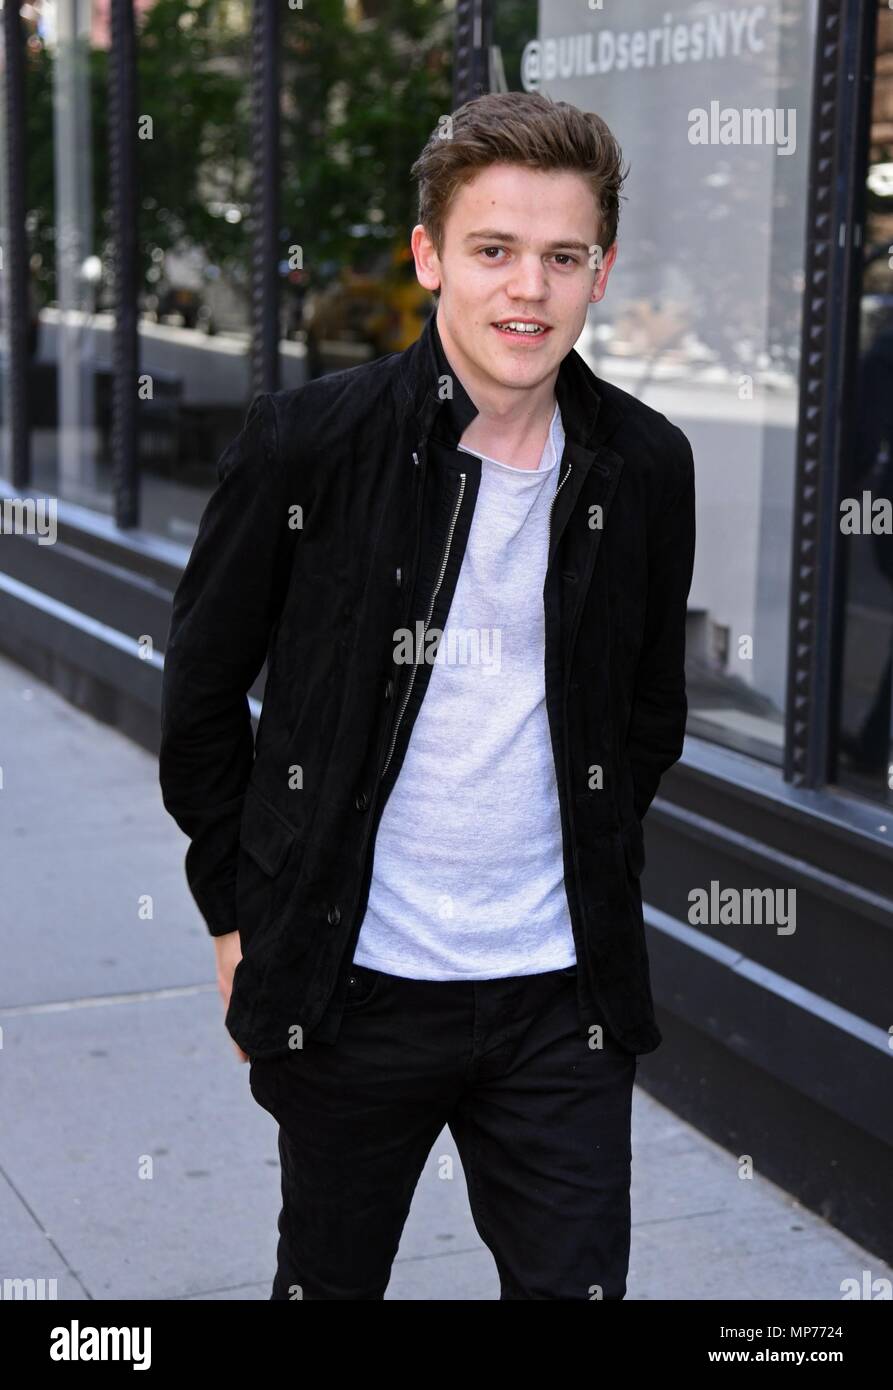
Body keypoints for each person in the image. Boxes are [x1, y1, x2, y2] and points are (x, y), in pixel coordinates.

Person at [158, 90, 696, 1301]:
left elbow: (645, 713)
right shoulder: (307, 445)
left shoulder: (645, 465)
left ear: (598, 272)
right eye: (493, 250)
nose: (528, 289)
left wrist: (588, 861)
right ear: (427, 257)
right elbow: (199, 696)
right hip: (355, 987)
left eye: (562, 257)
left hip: (559, 997)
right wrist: (235, 909)